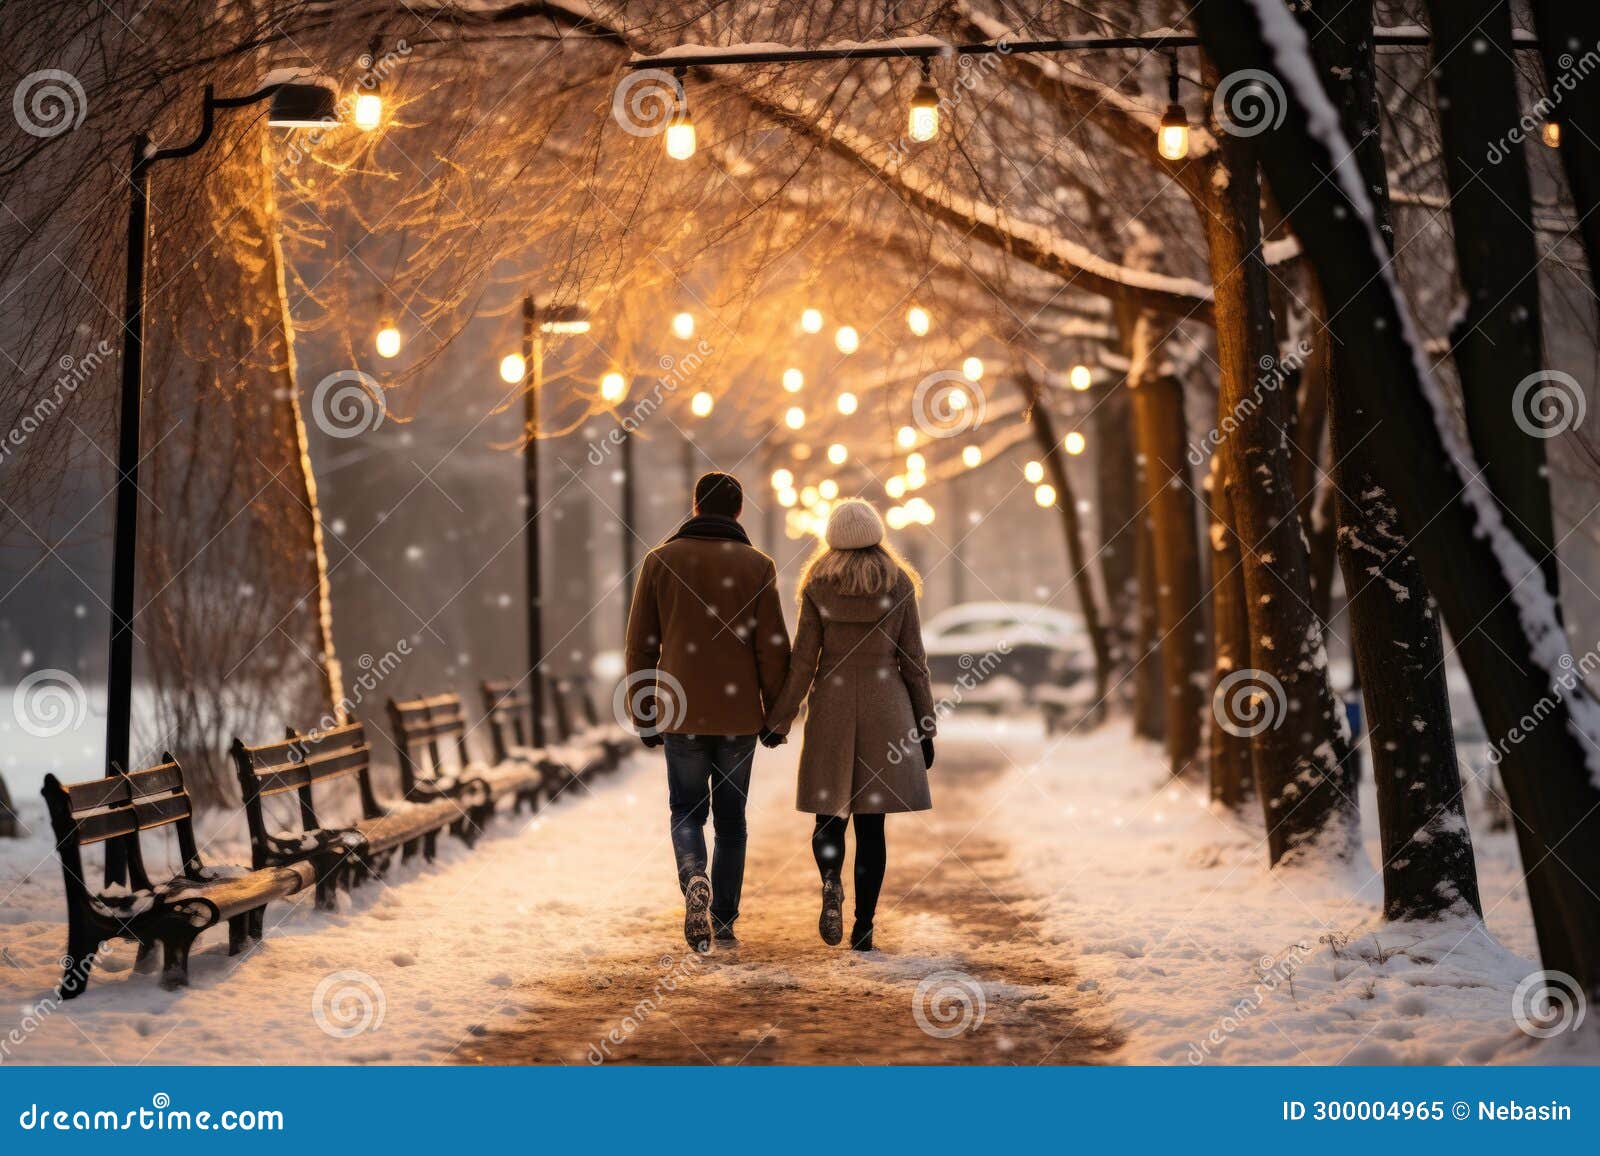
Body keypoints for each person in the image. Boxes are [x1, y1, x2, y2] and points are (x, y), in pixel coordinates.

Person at [624, 471, 791, 952]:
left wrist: (646, 714)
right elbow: (771, 648)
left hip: (682, 712)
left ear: (696, 506)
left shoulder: (660, 561)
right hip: (739, 716)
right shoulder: (757, 567)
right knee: (733, 822)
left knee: (686, 811)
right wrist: (776, 716)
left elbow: (640, 647)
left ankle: (694, 876)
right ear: (738, 512)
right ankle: (723, 919)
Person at [762, 498, 935, 952]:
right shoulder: (898, 583)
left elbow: (803, 661)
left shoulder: (819, 583)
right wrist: (926, 725)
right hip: (888, 709)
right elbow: (914, 662)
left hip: (833, 705)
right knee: (872, 826)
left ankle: (830, 884)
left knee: (828, 814)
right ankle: (864, 923)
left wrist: (780, 719)